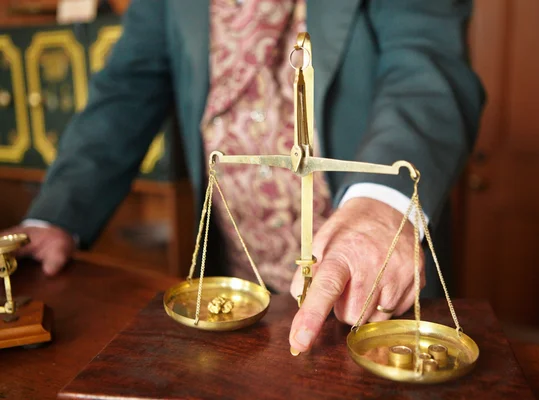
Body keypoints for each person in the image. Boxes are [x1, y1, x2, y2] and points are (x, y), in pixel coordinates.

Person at [2, 0, 484, 355]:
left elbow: (426, 69)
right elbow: (126, 89)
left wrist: (382, 206)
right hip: (239, 281)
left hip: (371, 282)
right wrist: (56, 215)